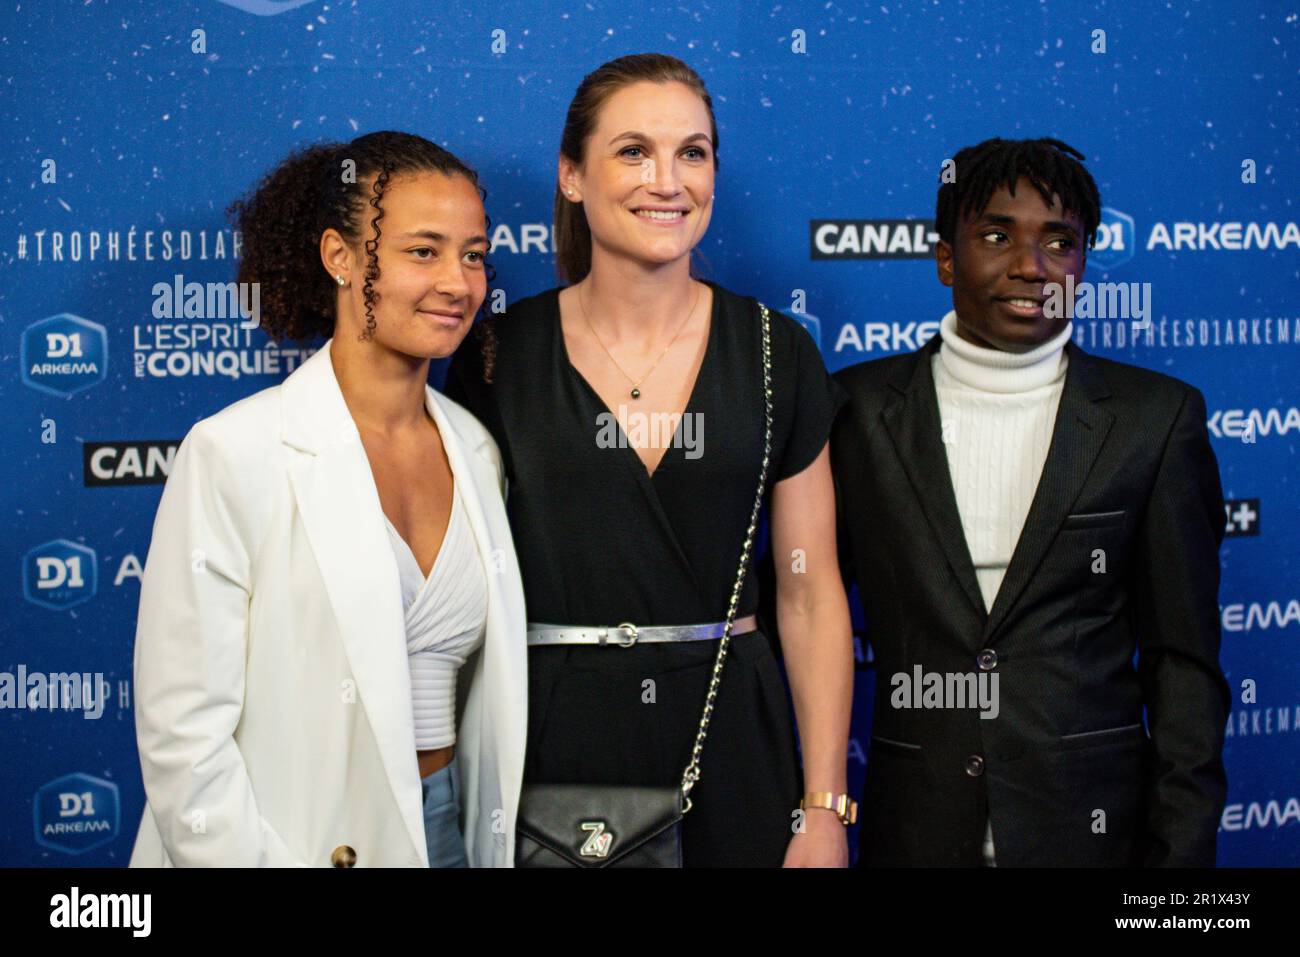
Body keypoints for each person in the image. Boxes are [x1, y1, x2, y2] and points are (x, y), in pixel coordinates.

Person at [446, 53, 855, 868]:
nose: (667, 180)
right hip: (549, 750)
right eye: (633, 151)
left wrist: (822, 804)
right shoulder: (497, 354)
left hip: (735, 744)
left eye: (692, 152)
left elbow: (809, 592)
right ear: (571, 176)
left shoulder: (778, 353)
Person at [129, 131, 527, 868]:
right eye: (422, 251)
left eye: (473, 254)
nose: (457, 282)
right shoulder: (235, 451)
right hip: (291, 842)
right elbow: (183, 734)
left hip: (447, 830)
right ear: (339, 256)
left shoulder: (476, 450)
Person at [832, 136, 1230, 867]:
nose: (1030, 266)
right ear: (945, 256)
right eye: (995, 235)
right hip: (914, 833)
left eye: (1059, 242)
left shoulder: (1155, 419)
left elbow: (1185, 668)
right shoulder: (853, 412)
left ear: (1082, 263)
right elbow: (804, 613)